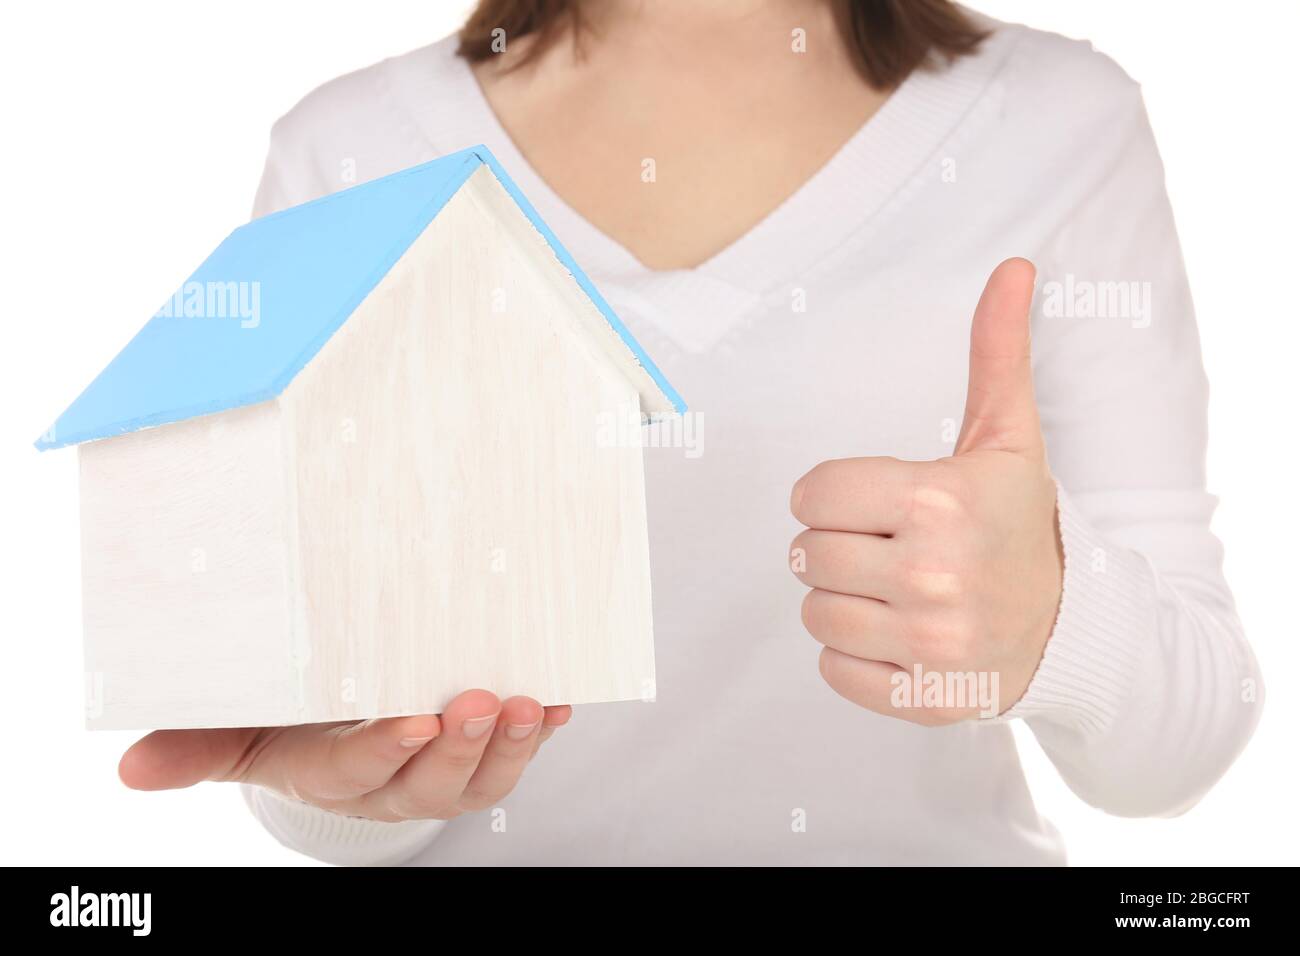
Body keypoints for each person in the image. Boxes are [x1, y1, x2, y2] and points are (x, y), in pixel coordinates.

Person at [118, 0, 1263, 865]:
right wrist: (348, 789)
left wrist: (1054, 621)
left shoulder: (1060, 120)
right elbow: (300, 765)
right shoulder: (350, 145)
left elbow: (1182, 746)